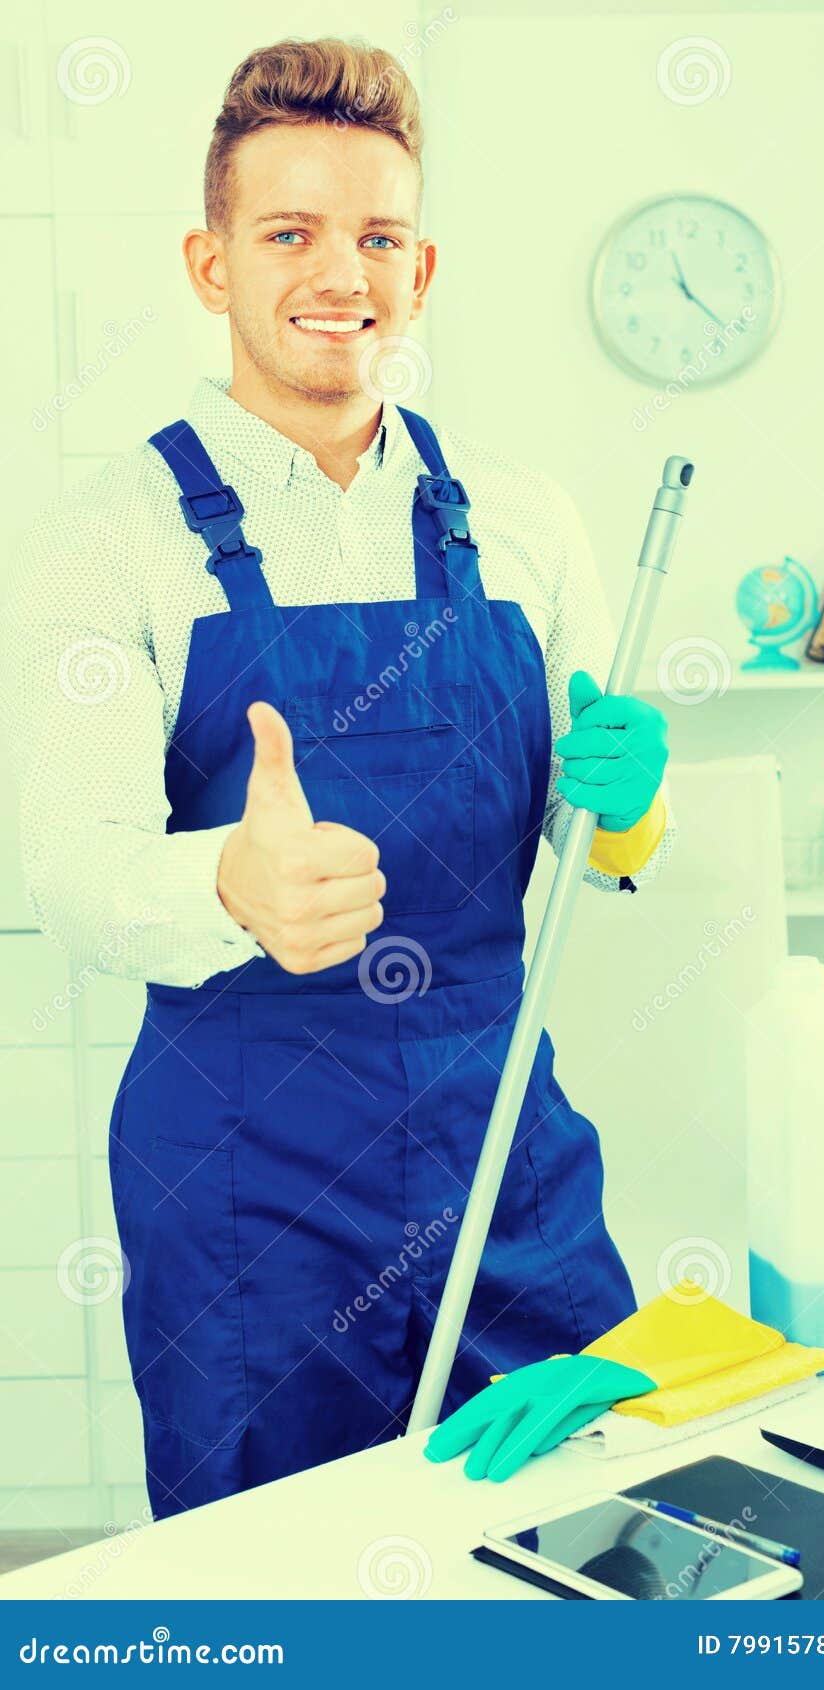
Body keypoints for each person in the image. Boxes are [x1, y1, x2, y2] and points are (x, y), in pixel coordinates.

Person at [1, 36, 675, 1520]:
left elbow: (591, 856)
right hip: (246, 1193)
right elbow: (69, 863)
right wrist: (226, 882)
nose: (337, 273)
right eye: (288, 232)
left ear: (419, 273)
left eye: (376, 236)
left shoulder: (526, 517)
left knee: (598, 1543)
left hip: (508, 1158)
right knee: (282, 1588)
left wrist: (625, 810)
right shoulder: (104, 542)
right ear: (210, 260)